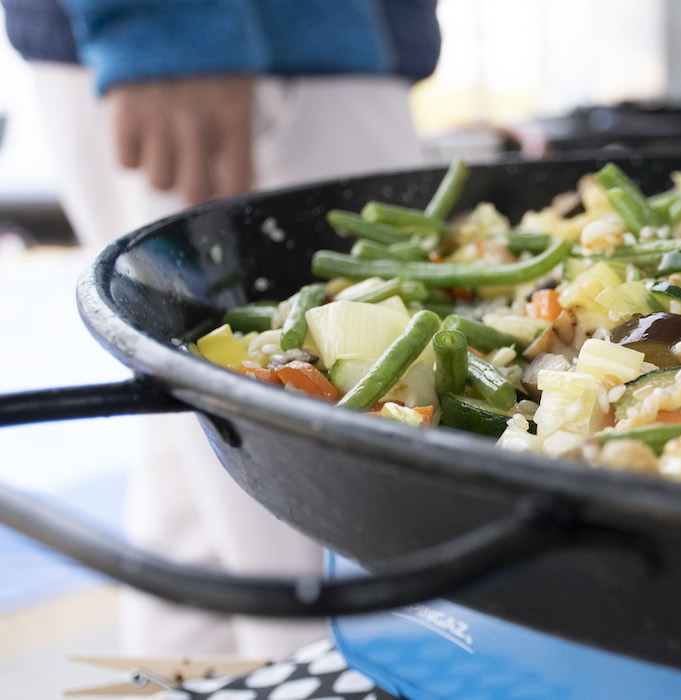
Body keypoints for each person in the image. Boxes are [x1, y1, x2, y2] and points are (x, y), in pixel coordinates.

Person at [1, 0, 441, 658]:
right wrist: (164, 29)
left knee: (205, 473)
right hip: (249, 48)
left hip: (248, 48)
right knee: (326, 519)